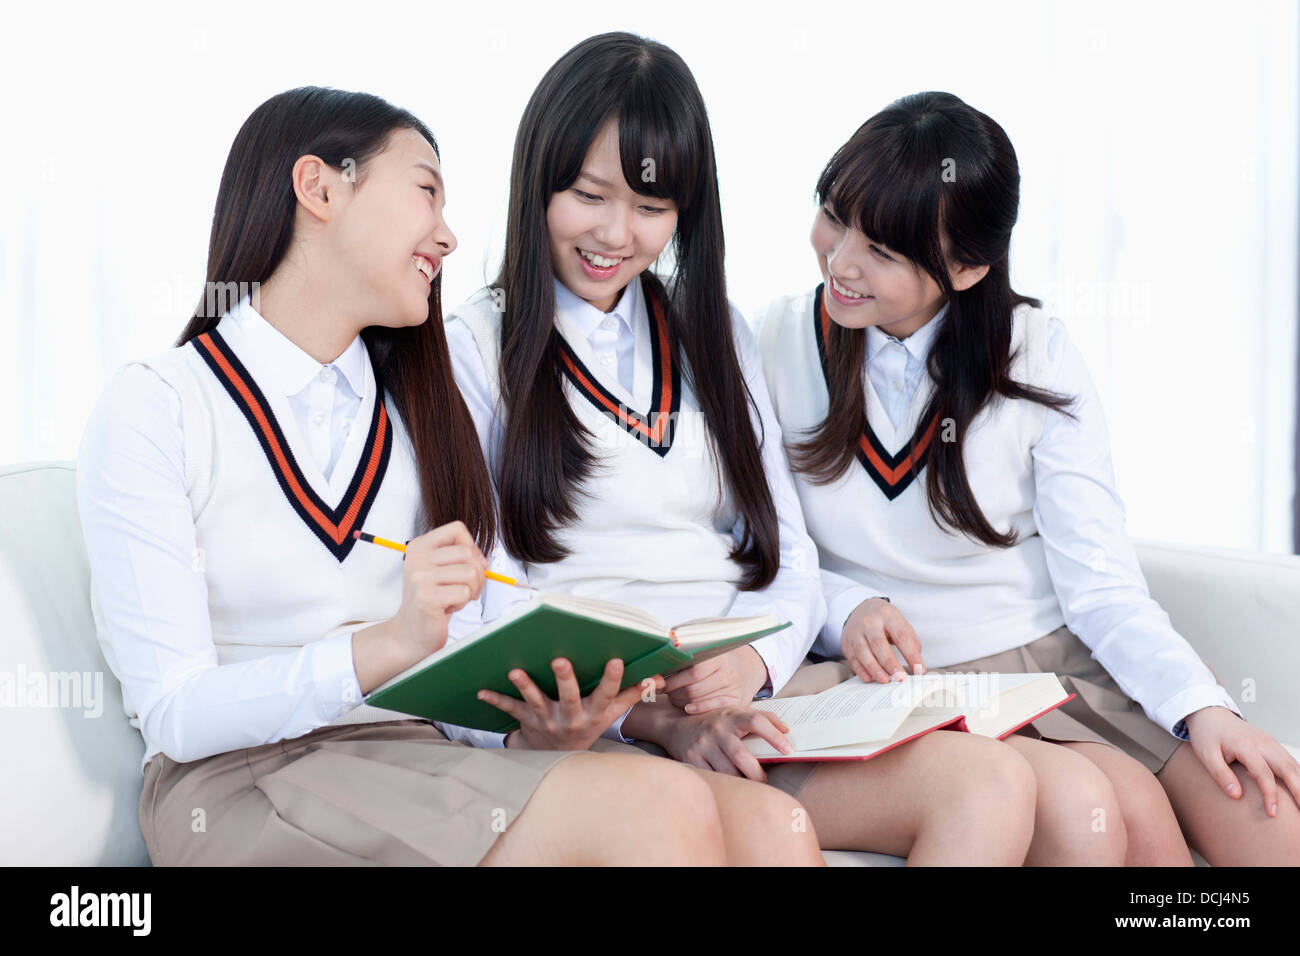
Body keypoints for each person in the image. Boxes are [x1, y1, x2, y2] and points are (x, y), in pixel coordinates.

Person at [77, 85, 822, 866]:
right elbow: (174, 712)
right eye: (427, 192)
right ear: (320, 188)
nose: (450, 236)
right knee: (655, 805)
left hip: (419, 753)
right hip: (245, 776)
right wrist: (383, 646)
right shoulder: (159, 405)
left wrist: (539, 725)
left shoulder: (417, 403)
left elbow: (466, 653)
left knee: (775, 827)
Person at [448, 34, 1038, 865]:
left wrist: (754, 663)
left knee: (989, 786)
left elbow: (785, 550)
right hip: (604, 714)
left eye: (652, 209)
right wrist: (642, 711)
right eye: (588, 195)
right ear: (537, 180)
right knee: (775, 830)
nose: (616, 234)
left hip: (736, 692)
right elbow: (481, 594)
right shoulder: (476, 347)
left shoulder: (713, 333)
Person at [756, 90, 1300, 865]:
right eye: (834, 217)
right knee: (1126, 815)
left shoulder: (1035, 353)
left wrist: (1204, 708)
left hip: (1050, 666)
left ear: (968, 266)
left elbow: (1103, 585)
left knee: (1270, 813)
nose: (840, 261)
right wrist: (846, 608)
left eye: (881, 251)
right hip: (894, 686)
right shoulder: (771, 341)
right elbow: (761, 547)